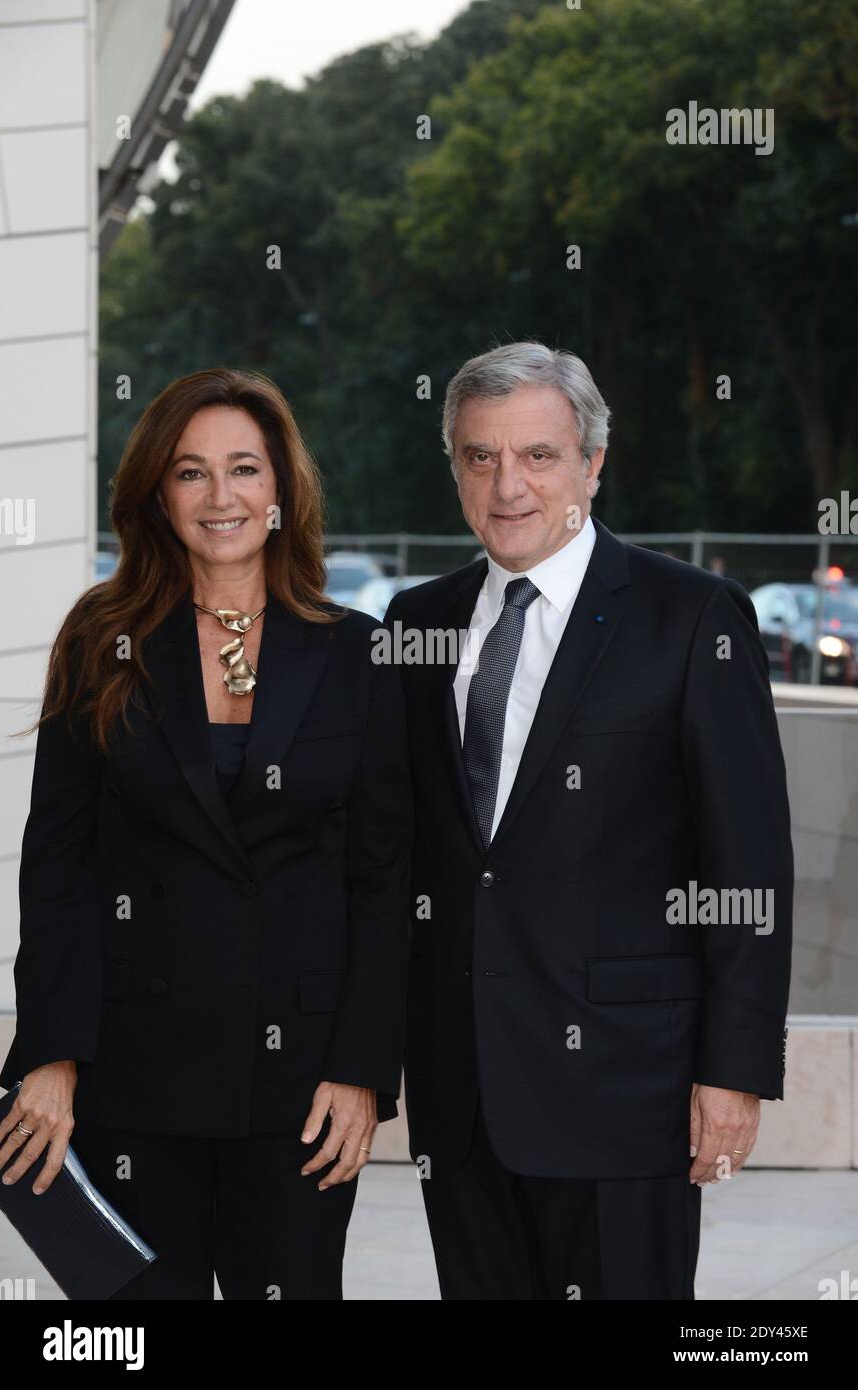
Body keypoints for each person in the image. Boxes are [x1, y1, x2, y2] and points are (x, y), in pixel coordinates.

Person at [386, 341, 792, 1300]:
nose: (508, 484)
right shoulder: (416, 622)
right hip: (465, 1099)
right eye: (480, 456)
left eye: (538, 455)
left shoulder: (691, 617)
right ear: (453, 467)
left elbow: (746, 865)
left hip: (626, 1094)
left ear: (592, 464)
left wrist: (732, 1072)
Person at [0, 368, 412, 1300]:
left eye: (244, 469)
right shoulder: (100, 640)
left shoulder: (355, 653)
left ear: (281, 491)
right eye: (191, 472)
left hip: (303, 1088)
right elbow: (57, 866)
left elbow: (383, 881)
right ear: (156, 492)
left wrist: (361, 1071)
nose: (220, 497)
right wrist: (50, 1056)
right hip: (133, 1078)